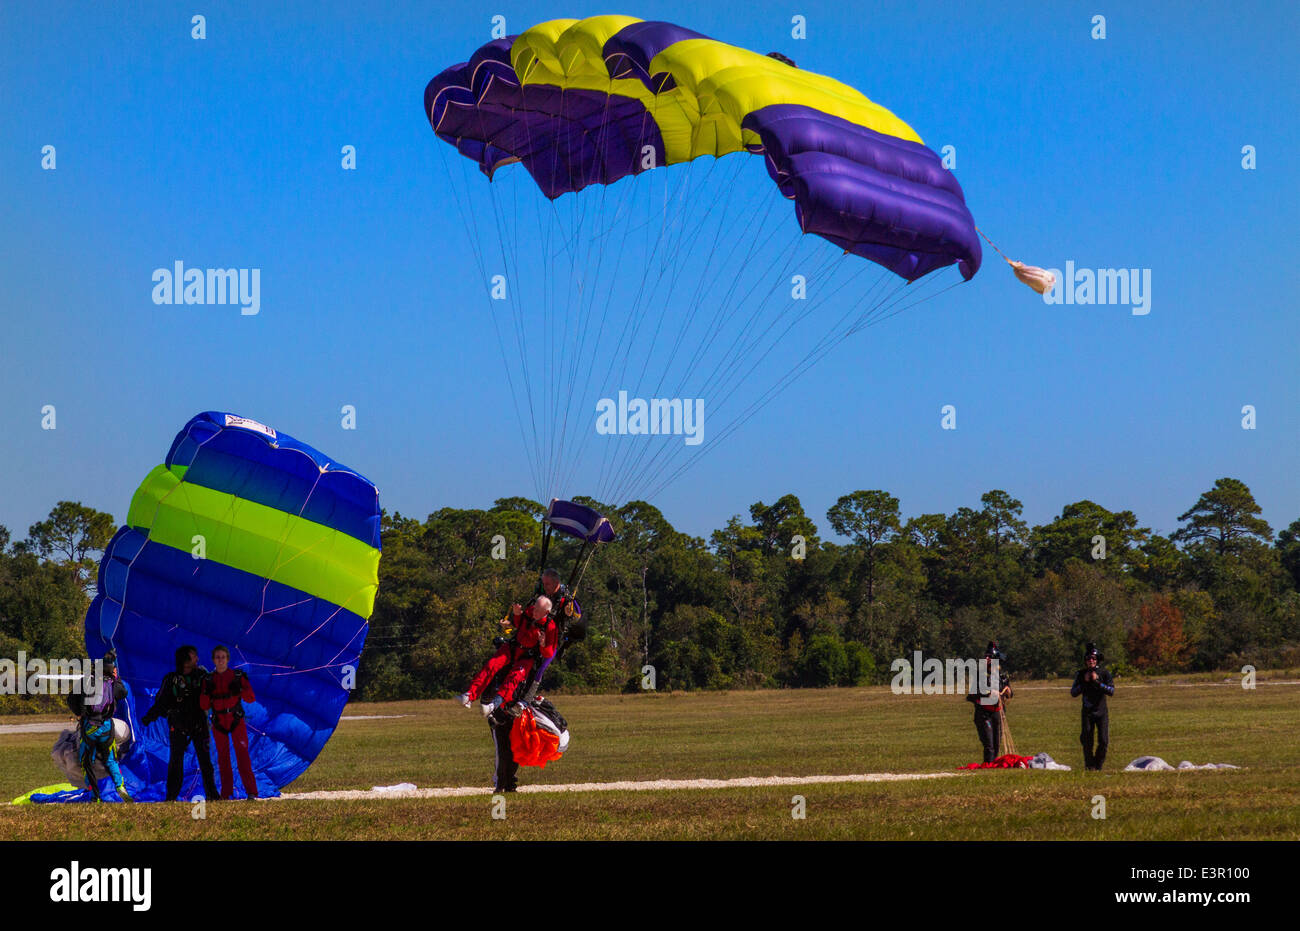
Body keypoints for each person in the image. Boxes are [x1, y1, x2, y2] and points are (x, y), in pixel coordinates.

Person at [141, 645, 219, 801]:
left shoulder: (203, 676)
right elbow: (161, 702)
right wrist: (148, 718)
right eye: (193, 656)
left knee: (205, 761)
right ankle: (171, 796)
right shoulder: (171, 679)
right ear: (185, 660)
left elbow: (215, 694)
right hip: (179, 725)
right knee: (176, 761)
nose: (197, 659)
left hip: (199, 724)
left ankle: (212, 795)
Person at [461, 595, 557, 714]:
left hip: (527, 656)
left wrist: (542, 644)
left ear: (546, 612)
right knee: (491, 665)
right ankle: (470, 694)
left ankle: (494, 704)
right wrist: (517, 614)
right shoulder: (529, 611)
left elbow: (549, 653)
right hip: (512, 647)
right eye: (535, 608)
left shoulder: (550, 626)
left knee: (514, 678)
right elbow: (519, 624)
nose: (534, 612)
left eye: (538, 610)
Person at [66, 650, 131, 801]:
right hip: (106, 727)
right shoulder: (112, 684)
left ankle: (94, 795)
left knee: (87, 761)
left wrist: (79, 713)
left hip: (89, 727)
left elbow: (71, 699)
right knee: (111, 759)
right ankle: (120, 786)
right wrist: (116, 678)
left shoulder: (86, 680)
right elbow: (123, 694)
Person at [200, 645, 259, 799]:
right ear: (213, 660)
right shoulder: (208, 679)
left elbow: (251, 698)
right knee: (223, 758)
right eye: (217, 657)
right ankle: (226, 794)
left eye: (223, 657)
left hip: (235, 720)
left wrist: (239, 689)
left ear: (227, 659)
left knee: (242, 755)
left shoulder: (237, 676)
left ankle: (251, 792)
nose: (220, 660)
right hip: (219, 722)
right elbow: (204, 705)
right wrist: (206, 692)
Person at [965, 641, 1013, 763]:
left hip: (998, 713)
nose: (986, 658)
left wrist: (1008, 691)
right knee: (989, 745)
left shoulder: (1002, 675)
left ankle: (993, 767)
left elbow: (1009, 692)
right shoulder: (980, 674)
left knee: (997, 744)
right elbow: (972, 696)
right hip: (983, 714)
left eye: (990, 656)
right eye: (986, 656)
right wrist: (989, 695)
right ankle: (988, 766)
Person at [1071, 642, 1115, 770]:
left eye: (1093, 659)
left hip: (1101, 712)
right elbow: (1073, 692)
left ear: (1097, 660)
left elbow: (1111, 691)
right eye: (1088, 659)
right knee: (1087, 741)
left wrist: (1096, 681)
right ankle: (1089, 766)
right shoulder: (1080, 674)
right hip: (1087, 712)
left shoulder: (1104, 673)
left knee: (1104, 741)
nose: (1091, 661)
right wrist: (1085, 682)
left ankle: (1098, 764)